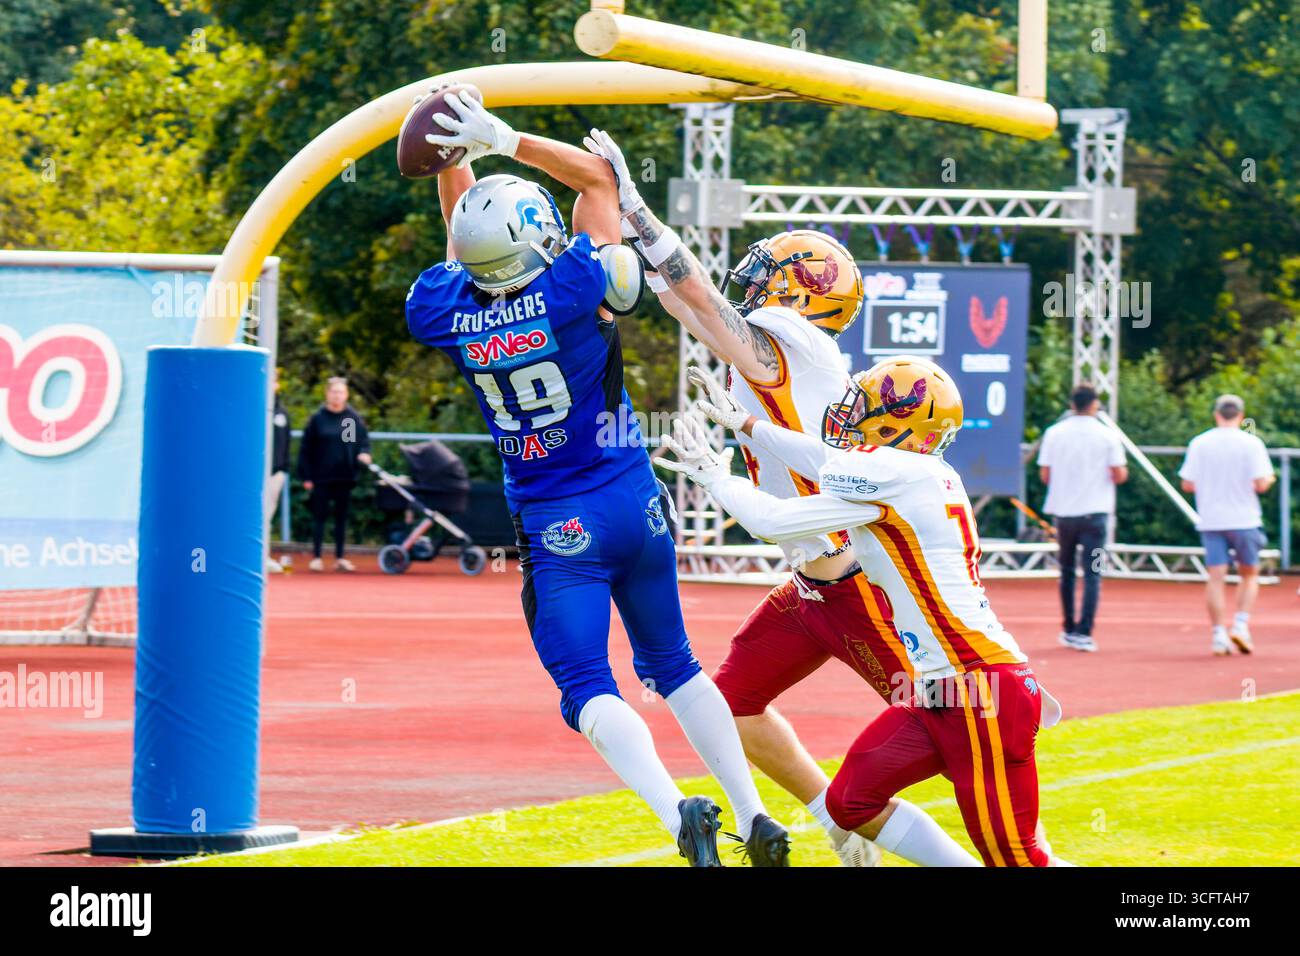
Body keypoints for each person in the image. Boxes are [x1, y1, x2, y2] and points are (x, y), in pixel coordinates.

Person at [404, 91, 789, 867]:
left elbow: (462, 250)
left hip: (554, 520)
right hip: (630, 498)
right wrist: (502, 138)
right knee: (676, 663)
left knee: (586, 684)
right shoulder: (579, 285)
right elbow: (599, 182)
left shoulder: (441, 307)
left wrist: (451, 155)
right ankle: (755, 818)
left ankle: (677, 811)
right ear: (539, 237)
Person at [584, 129, 977, 868]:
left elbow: (696, 293)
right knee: (727, 707)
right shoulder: (766, 353)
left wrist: (635, 208)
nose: (754, 286)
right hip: (809, 587)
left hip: (863, 587)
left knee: (956, 738)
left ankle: (988, 848)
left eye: (769, 278)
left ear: (799, 293)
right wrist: (610, 223)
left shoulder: (787, 347)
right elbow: (682, 301)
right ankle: (835, 817)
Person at [658, 355, 1073, 866]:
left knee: (1016, 859)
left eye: (868, 404)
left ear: (898, 421)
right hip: (941, 690)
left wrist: (713, 477)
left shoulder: (892, 474)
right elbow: (823, 460)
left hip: (977, 688)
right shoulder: (916, 471)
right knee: (849, 801)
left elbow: (773, 519)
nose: (851, 414)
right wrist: (747, 424)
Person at [1179, 394, 1275, 655]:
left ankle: (1218, 634)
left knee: (1216, 577)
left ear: (1216, 414)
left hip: (1211, 519)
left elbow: (1187, 483)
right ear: (1241, 415)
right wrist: (1270, 479)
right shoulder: (1251, 443)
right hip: (1244, 519)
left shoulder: (1200, 443)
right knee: (1249, 574)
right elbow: (1261, 483)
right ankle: (1241, 624)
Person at [1036, 383, 1128, 653]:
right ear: (1095, 403)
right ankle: (1085, 631)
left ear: (1072, 403)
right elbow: (1119, 474)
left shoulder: (1054, 433)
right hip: (1095, 515)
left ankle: (1068, 627)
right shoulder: (1106, 435)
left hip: (1064, 515)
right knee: (1093, 573)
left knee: (1065, 572)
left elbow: (1045, 475)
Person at [298, 377, 371, 572]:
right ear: (327, 394)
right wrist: (306, 476)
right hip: (321, 477)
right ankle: (316, 557)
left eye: (341, 392)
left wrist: (364, 454)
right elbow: (307, 449)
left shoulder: (350, 418)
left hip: (344, 478)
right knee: (319, 517)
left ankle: (339, 558)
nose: (337, 395)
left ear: (346, 395)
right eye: (334, 392)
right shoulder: (318, 419)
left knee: (341, 518)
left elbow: (358, 443)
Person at [265, 370, 292, 574]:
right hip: (255, 475)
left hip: (276, 473)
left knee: (267, 516)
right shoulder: (252, 409)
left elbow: (286, 444)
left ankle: (263, 555)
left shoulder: (282, 413)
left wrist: (283, 469)